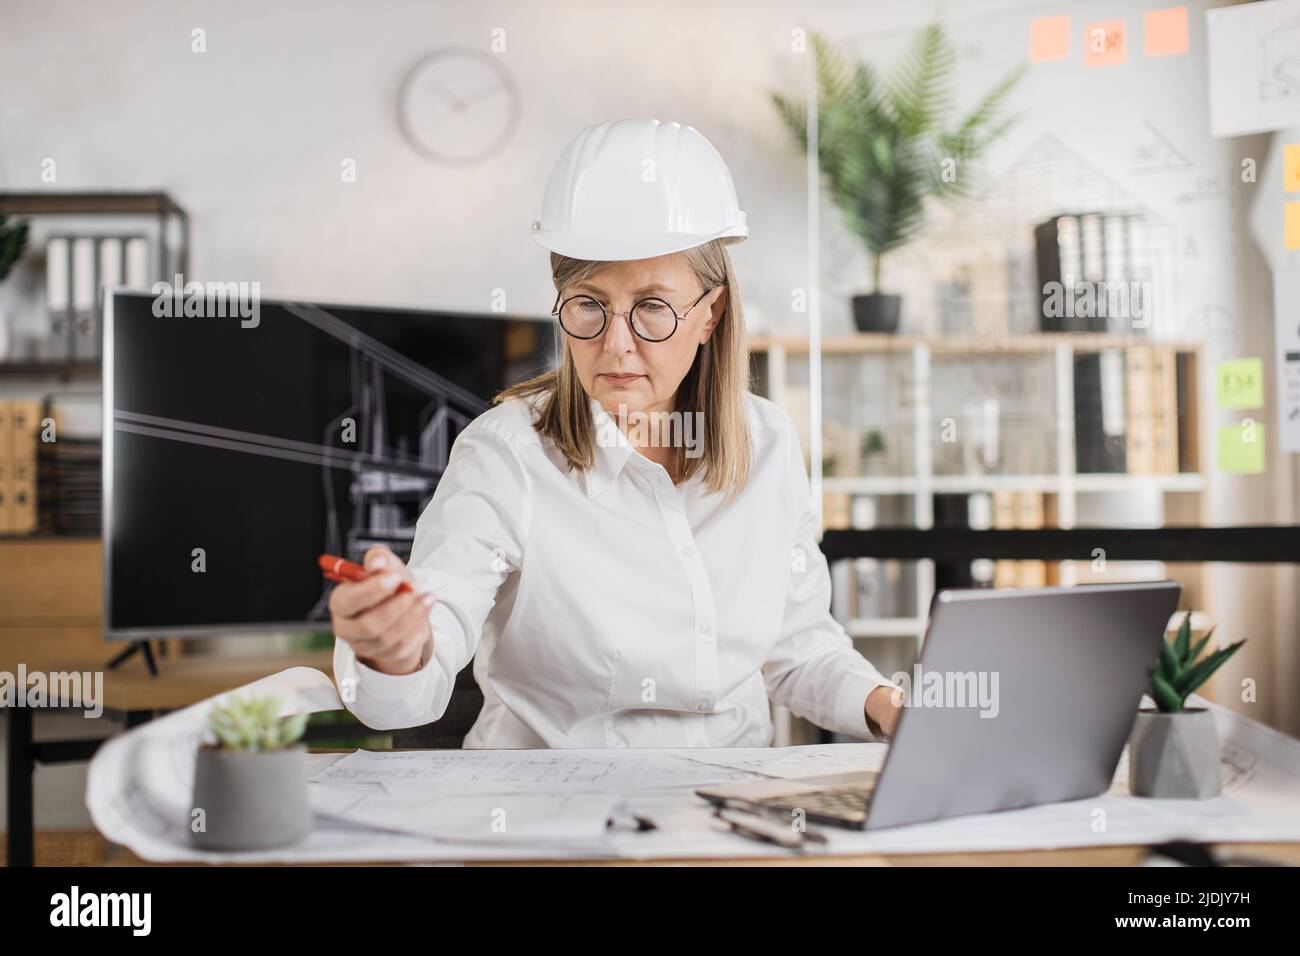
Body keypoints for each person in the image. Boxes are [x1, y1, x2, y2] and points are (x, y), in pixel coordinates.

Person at [330, 117, 904, 748]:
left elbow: (798, 647)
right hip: (553, 822)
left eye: (653, 307)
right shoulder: (507, 454)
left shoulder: (768, 443)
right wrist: (396, 649)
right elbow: (420, 665)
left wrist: (888, 707)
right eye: (588, 305)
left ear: (710, 314)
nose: (616, 344)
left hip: (730, 821)